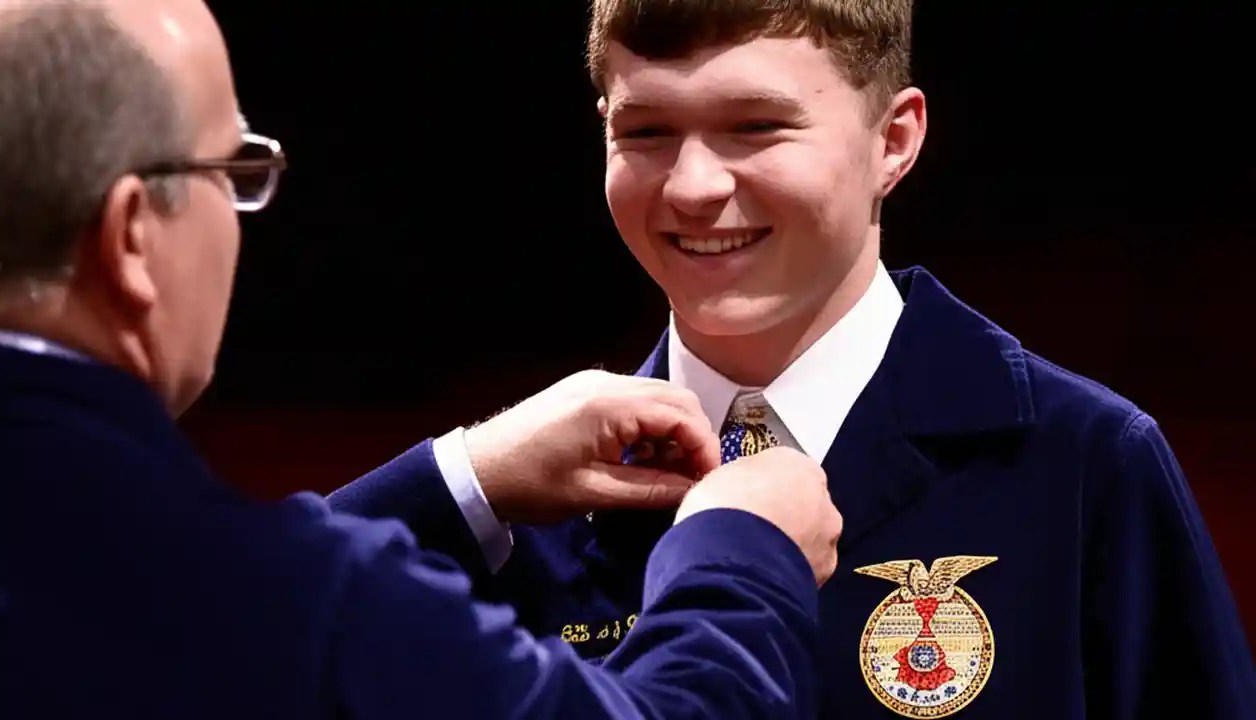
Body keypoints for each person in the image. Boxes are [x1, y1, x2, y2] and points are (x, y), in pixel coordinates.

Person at [332, 1, 1256, 718]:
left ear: (893, 140)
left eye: (756, 127)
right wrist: (469, 480)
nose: (693, 186)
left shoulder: (1087, 463)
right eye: (645, 132)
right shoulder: (511, 508)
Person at [0, 0, 848, 717]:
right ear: (132, 236)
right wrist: (743, 554)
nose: (695, 187)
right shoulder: (270, 597)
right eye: (235, 172)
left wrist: (460, 479)